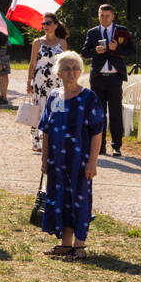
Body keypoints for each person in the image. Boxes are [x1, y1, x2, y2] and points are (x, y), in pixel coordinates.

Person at [37, 52, 104, 261]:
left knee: (79, 199)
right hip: (57, 161)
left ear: (81, 71)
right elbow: (46, 129)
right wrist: (44, 158)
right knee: (61, 198)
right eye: (66, 68)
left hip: (79, 160)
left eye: (75, 68)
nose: (71, 72)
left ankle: (79, 246)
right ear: (58, 72)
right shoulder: (54, 96)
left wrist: (93, 162)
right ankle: (66, 245)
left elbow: (97, 133)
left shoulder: (89, 97)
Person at [79, 4, 130, 157]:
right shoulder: (93, 32)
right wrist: (95, 51)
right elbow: (84, 52)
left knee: (115, 112)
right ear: (98, 15)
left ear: (113, 16)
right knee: (99, 113)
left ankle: (116, 146)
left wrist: (117, 49)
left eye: (107, 15)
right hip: (98, 78)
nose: (104, 18)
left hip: (115, 78)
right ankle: (100, 146)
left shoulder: (122, 31)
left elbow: (130, 51)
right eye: (101, 15)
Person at [25, 13, 68, 152]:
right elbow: (32, 64)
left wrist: (68, 82)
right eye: (44, 24)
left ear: (56, 25)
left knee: (56, 110)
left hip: (57, 82)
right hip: (40, 82)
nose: (45, 26)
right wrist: (28, 82)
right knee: (38, 109)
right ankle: (35, 140)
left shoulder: (62, 43)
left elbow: (66, 63)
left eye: (48, 23)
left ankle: (53, 139)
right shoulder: (37, 42)